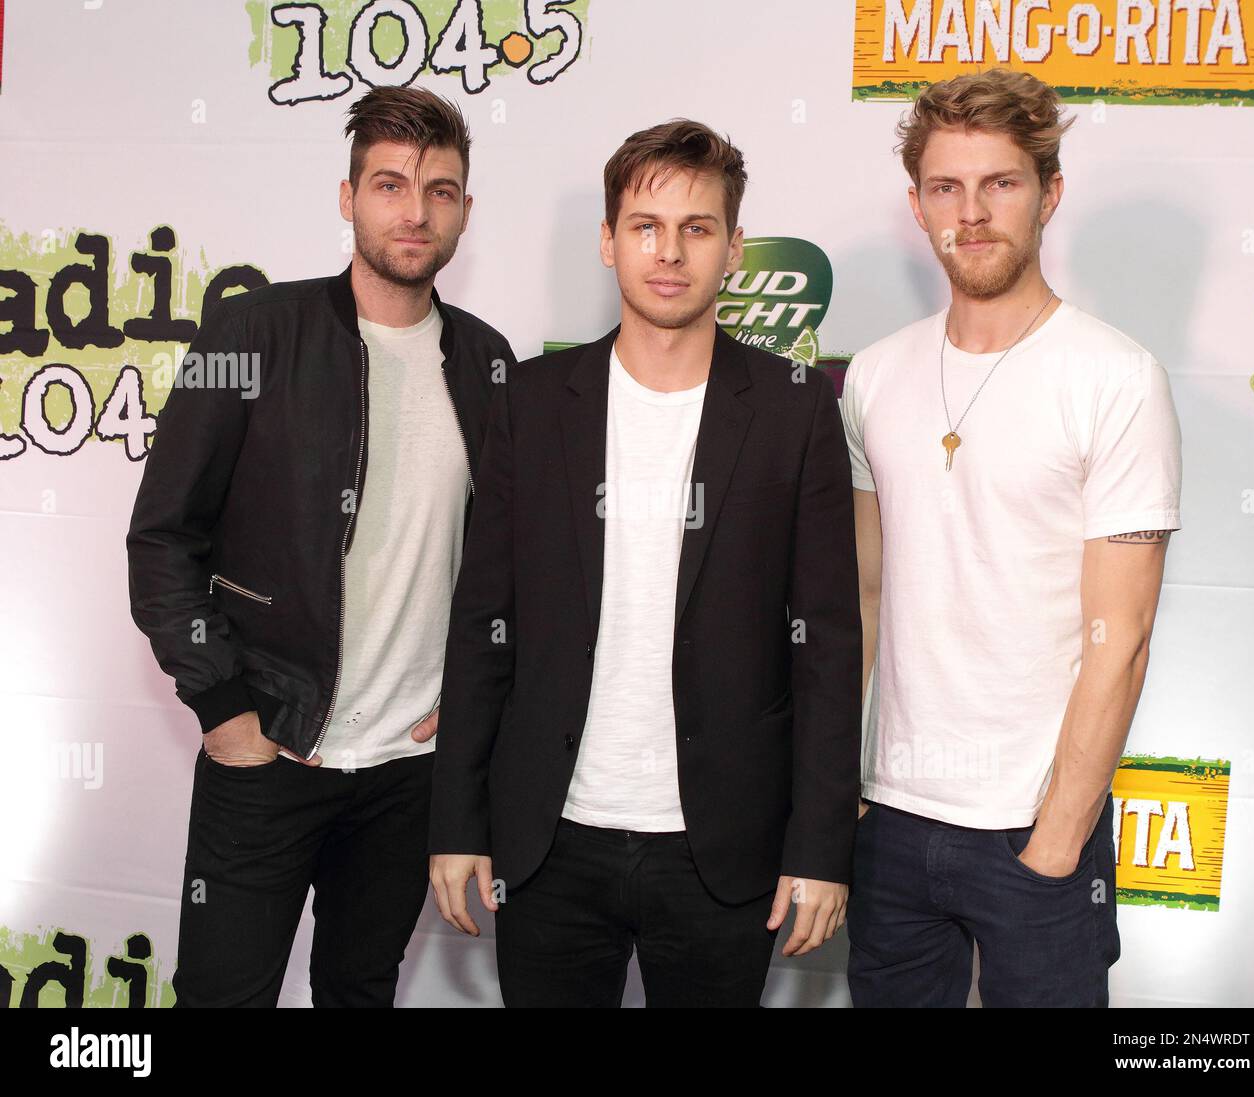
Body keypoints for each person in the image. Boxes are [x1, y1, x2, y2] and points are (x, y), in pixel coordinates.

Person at [427, 119, 862, 1007]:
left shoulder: (793, 411)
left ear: (734, 248)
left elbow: (828, 644)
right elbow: (482, 622)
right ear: (608, 240)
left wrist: (819, 846)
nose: (670, 252)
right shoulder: (536, 401)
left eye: (698, 228)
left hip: (722, 848)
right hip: (551, 839)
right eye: (645, 226)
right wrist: (456, 820)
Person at [126, 85, 515, 1007]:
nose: (415, 212)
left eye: (441, 191)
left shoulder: (491, 363)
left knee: (359, 988)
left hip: (406, 778)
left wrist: (474, 698)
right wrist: (226, 711)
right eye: (389, 185)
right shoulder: (253, 332)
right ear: (348, 200)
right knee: (220, 994)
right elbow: (162, 536)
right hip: (268, 749)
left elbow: (515, 567)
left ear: (465, 209)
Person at [840, 68, 1183, 1008]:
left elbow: (1125, 637)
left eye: (1001, 183)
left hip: (1035, 829)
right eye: (947, 186)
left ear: (1050, 193)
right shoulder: (873, 377)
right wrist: (854, 788)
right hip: (893, 820)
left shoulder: (1116, 378)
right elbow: (865, 596)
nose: (973, 211)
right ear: (917, 205)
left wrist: (1059, 838)